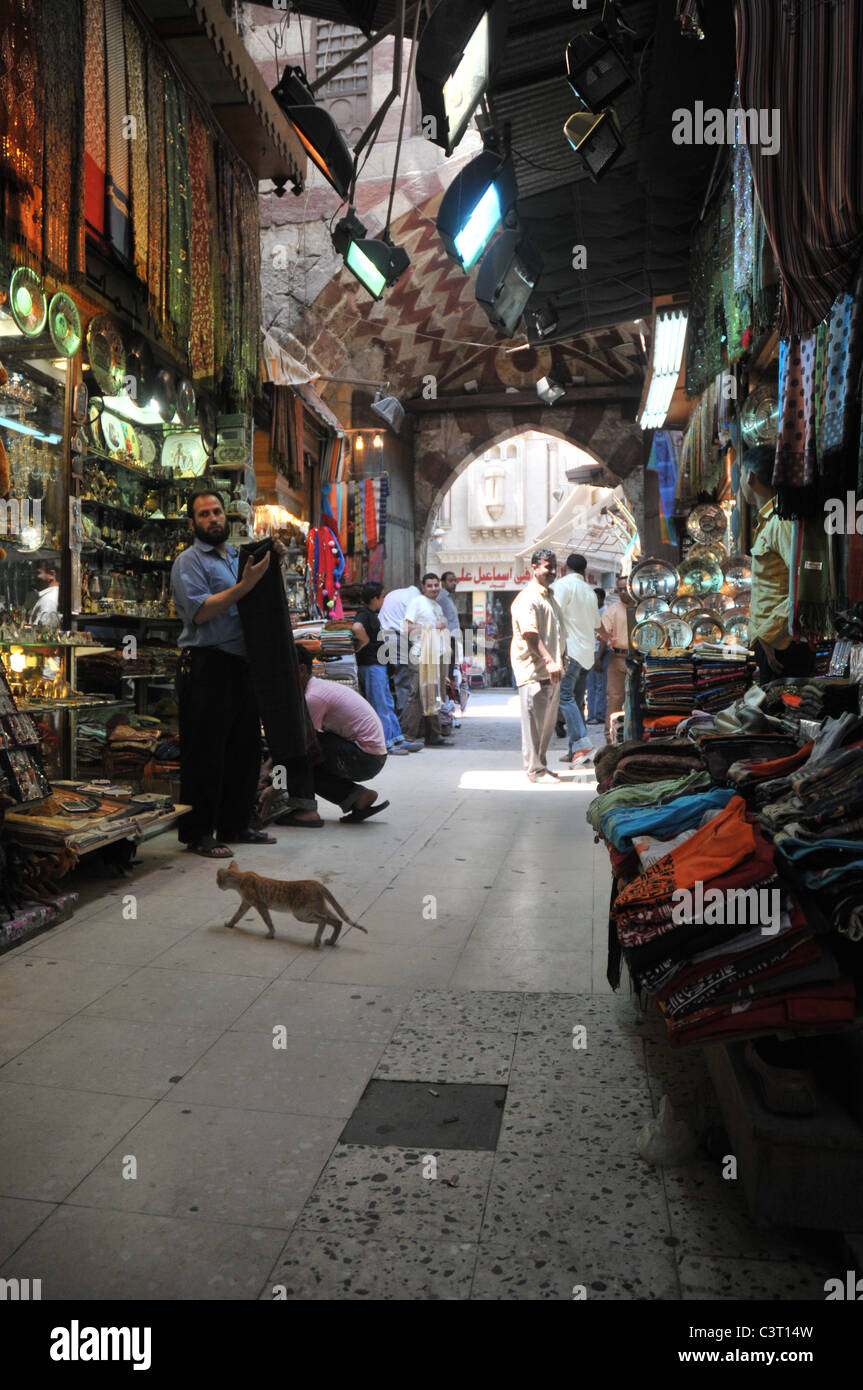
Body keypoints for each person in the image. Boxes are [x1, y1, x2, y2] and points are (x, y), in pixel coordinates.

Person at [171, 491, 318, 856]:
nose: (213, 519)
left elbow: (254, 599)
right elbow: (200, 612)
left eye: (216, 512)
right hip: (207, 664)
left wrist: (271, 563)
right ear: (193, 523)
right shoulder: (189, 562)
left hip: (241, 665)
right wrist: (246, 585)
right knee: (205, 752)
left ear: (226, 517)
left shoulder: (235, 558)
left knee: (244, 750)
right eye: (203, 514)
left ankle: (235, 825)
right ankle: (198, 833)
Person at [289, 644, 391, 822]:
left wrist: (274, 781)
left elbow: (298, 747)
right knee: (305, 753)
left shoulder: (313, 697)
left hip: (365, 758)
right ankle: (357, 797)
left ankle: (305, 811)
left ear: (301, 669)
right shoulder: (317, 688)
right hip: (368, 755)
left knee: (304, 753)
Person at [742, 445, 814, 684]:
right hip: (773, 641)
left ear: (750, 476)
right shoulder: (768, 520)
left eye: (741, 474)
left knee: (782, 713)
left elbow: (805, 579)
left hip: (783, 643)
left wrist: (770, 634)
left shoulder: (781, 520)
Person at [510, 549, 565, 783]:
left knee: (545, 725)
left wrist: (562, 660)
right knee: (533, 726)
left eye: (554, 566)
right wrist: (549, 661)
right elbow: (530, 635)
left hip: (551, 673)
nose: (552, 571)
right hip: (535, 672)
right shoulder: (528, 598)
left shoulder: (550, 597)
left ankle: (542, 764)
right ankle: (535, 770)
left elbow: (558, 633)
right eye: (546, 567)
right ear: (533, 568)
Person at [352, 581, 422, 755]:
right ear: (375, 598)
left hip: (378, 665)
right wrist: (364, 643)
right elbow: (357, 627)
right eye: (382, 596)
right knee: (380, 704)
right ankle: (387, 744)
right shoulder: (364, 614)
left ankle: (397, 738)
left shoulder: (371, 614)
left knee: (387, 703)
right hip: (371, 666)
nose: (384, 600)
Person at [552, 552, 599, 766]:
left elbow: (554, 616)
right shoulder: (589, 591)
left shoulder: (562, 585)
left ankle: (581, 744)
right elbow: (597, 624)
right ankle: (575, 750)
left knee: (564, 697)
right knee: (577, 701)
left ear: (564, 568)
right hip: (586, 653)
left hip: (570, 651)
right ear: (584, 571)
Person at [402, 573, 451, 746]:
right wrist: (430, 626)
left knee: (434, 694)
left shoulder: (437, 606)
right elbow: (407, 627)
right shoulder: (417, 602)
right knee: (416, 694)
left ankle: (434, 736)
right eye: (429, 585)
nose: (433, 588)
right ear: (423, 587)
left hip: (435, 656)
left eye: (436, 585)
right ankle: (407, 736)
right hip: (419, 654)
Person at [597, 575, 633, 744]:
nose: (622, 592)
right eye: (619, 589)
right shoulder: (612, 610)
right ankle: (610, 737)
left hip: (638, 659)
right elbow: (602, 635)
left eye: (625, 588)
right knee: (614, 698)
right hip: (617, 658)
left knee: (637, 698)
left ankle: (634, 735)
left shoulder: (643, 608)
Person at [378, 582, 420, 717]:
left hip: (385, 633)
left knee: (398, 676)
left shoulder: (401, 593)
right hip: (395, 636)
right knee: (403, 678)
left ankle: (402, 715)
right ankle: (404, 717)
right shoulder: (416, 599)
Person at [438, 571, 462, 729]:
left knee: (450, 677)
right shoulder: (441, 598)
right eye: (451, 580)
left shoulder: (446, 598)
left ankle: (448, 713)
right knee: (446, 679)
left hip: (451, 640)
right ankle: (445, 715)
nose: (454, 583)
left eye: (455, 580)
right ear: (443, 582)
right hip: (446, 641)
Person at [586, 587, 608, 725]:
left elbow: (604, 638)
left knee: (600, 685)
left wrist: (598, 657)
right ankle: (591, 714)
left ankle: (599, 715)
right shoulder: (590, 613)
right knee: (591, 685)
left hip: (601, 653)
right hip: (590, 652)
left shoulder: (604, 613)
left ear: (601, 599)